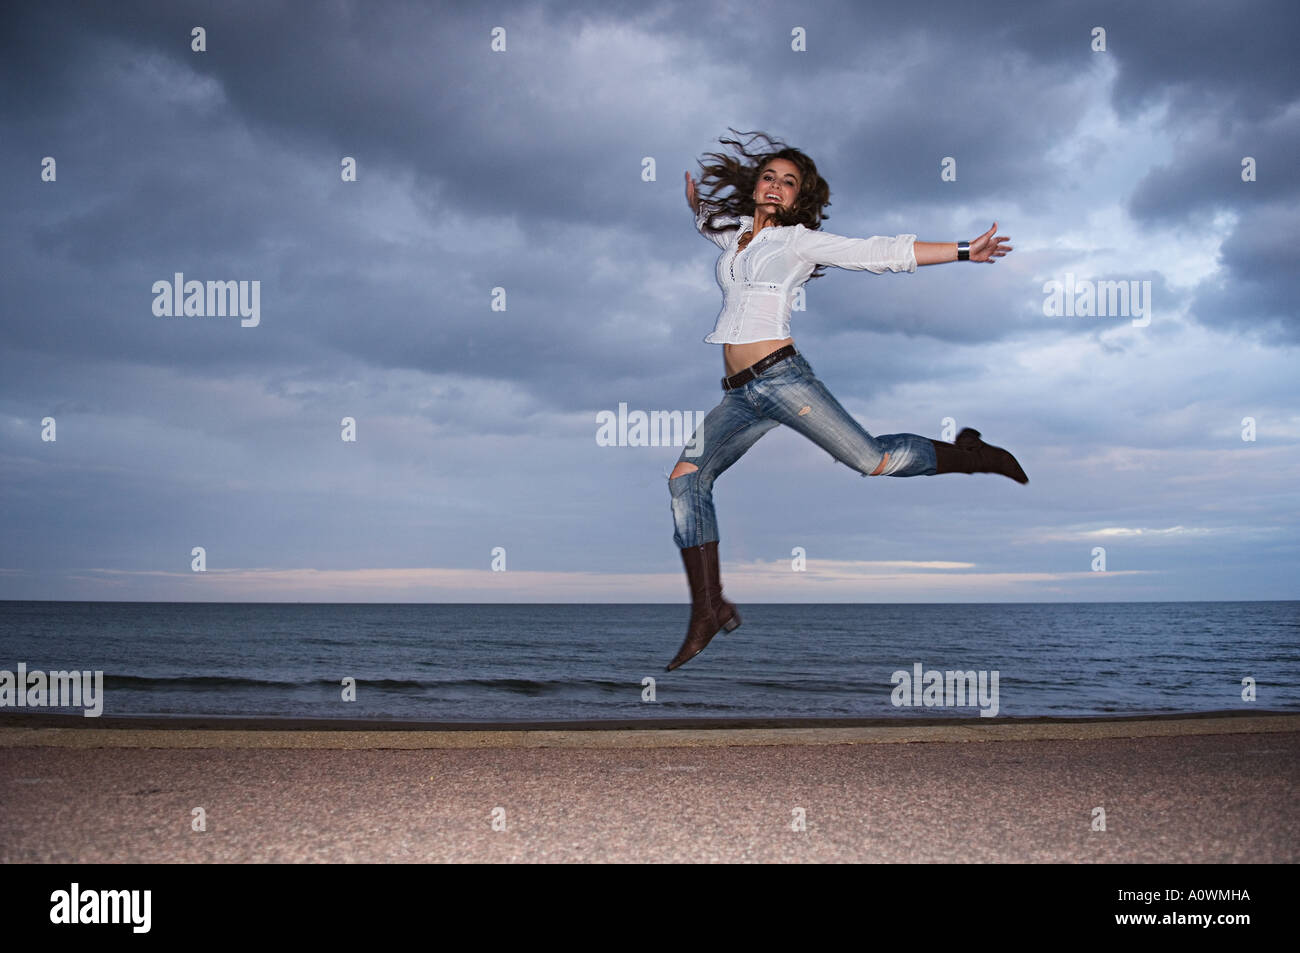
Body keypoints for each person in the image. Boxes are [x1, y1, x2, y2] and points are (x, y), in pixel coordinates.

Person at [666, 130, 1027, 672]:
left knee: (872, 460)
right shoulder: (735, 235)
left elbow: (874, 253)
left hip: (783, 380)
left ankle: (974, 454)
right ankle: (708, 608)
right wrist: (697, 207)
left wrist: (960, 251)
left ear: (798, 197)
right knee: (685, 479)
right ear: (756, 184)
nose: (776, 187)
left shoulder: (798, 241)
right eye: (769, 177)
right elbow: (709, 226)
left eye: (789, 183)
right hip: (739, 397)